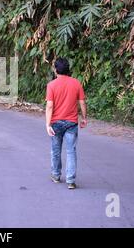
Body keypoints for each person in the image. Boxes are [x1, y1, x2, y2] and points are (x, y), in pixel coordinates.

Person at [45, 58, 87, 189]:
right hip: (71, 123)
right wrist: (84, 118)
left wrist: (47, 124)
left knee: (55, 150)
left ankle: (56, 175)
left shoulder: (51, 85)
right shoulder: (76, 83)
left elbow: (50, 106)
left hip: (56, 123)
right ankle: (70, 180)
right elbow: (82, 102)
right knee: (71, 151)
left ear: (55, 69)